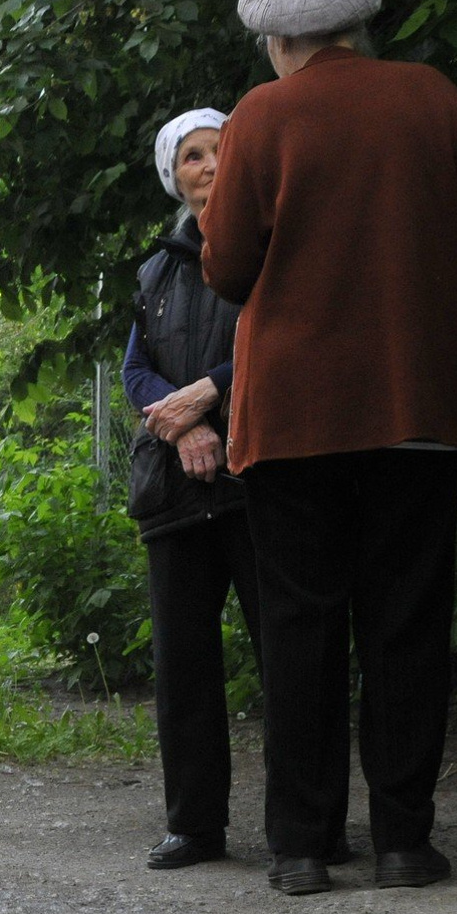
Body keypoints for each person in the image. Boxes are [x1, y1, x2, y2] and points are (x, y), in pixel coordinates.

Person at [200, 0, 457, 896]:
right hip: (422, 405)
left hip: (295, 418)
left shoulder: (261, 118)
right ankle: (403, 843)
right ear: (360, 22)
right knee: (408, 621)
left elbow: (224, 269)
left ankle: (301, 848)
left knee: (300, 626)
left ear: (277, 41)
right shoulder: (433, 100)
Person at [123, 106, 275, 872]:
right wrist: (183, 424)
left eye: (220, 151)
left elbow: (277, 338)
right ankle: (195, 824)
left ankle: (302, 823)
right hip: (177, 490)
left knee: (287, 652)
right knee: (182, 660)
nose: (209, 166)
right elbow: (135, 370)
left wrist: (209, 395)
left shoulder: (267, 244)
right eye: (192, 157)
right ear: (172, 176)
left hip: (258, 479)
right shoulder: (155, 270)